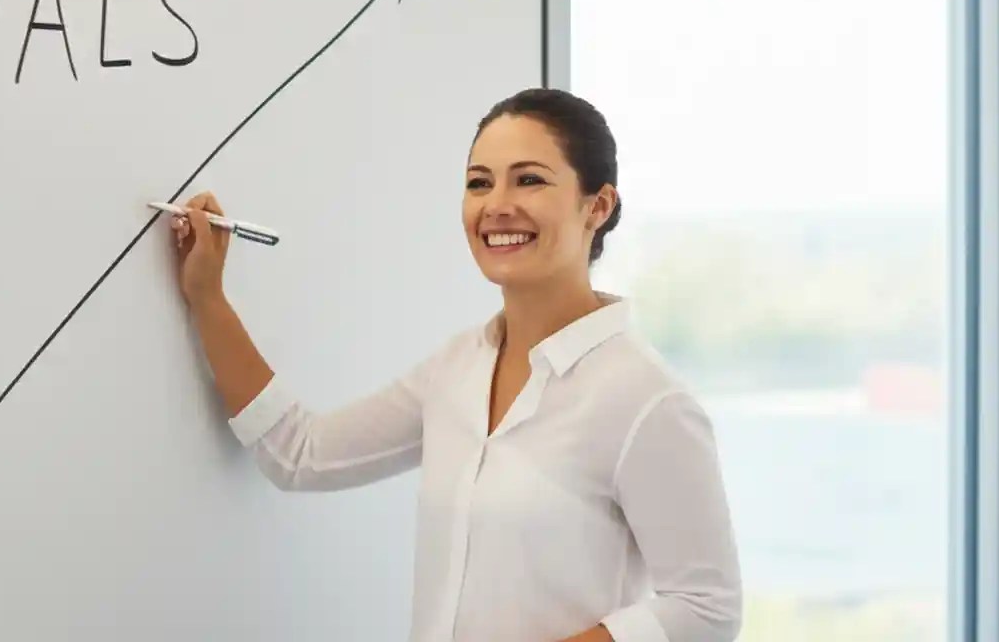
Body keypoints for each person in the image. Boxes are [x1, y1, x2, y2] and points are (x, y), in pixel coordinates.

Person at [166, 88, 742, 642]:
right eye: (478, 183)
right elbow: (300, 454)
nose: (496, 205)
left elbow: (707, 608)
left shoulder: (645, 399)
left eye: (530, 180)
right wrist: (208, 299)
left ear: (598, 205)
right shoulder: (457, 369)